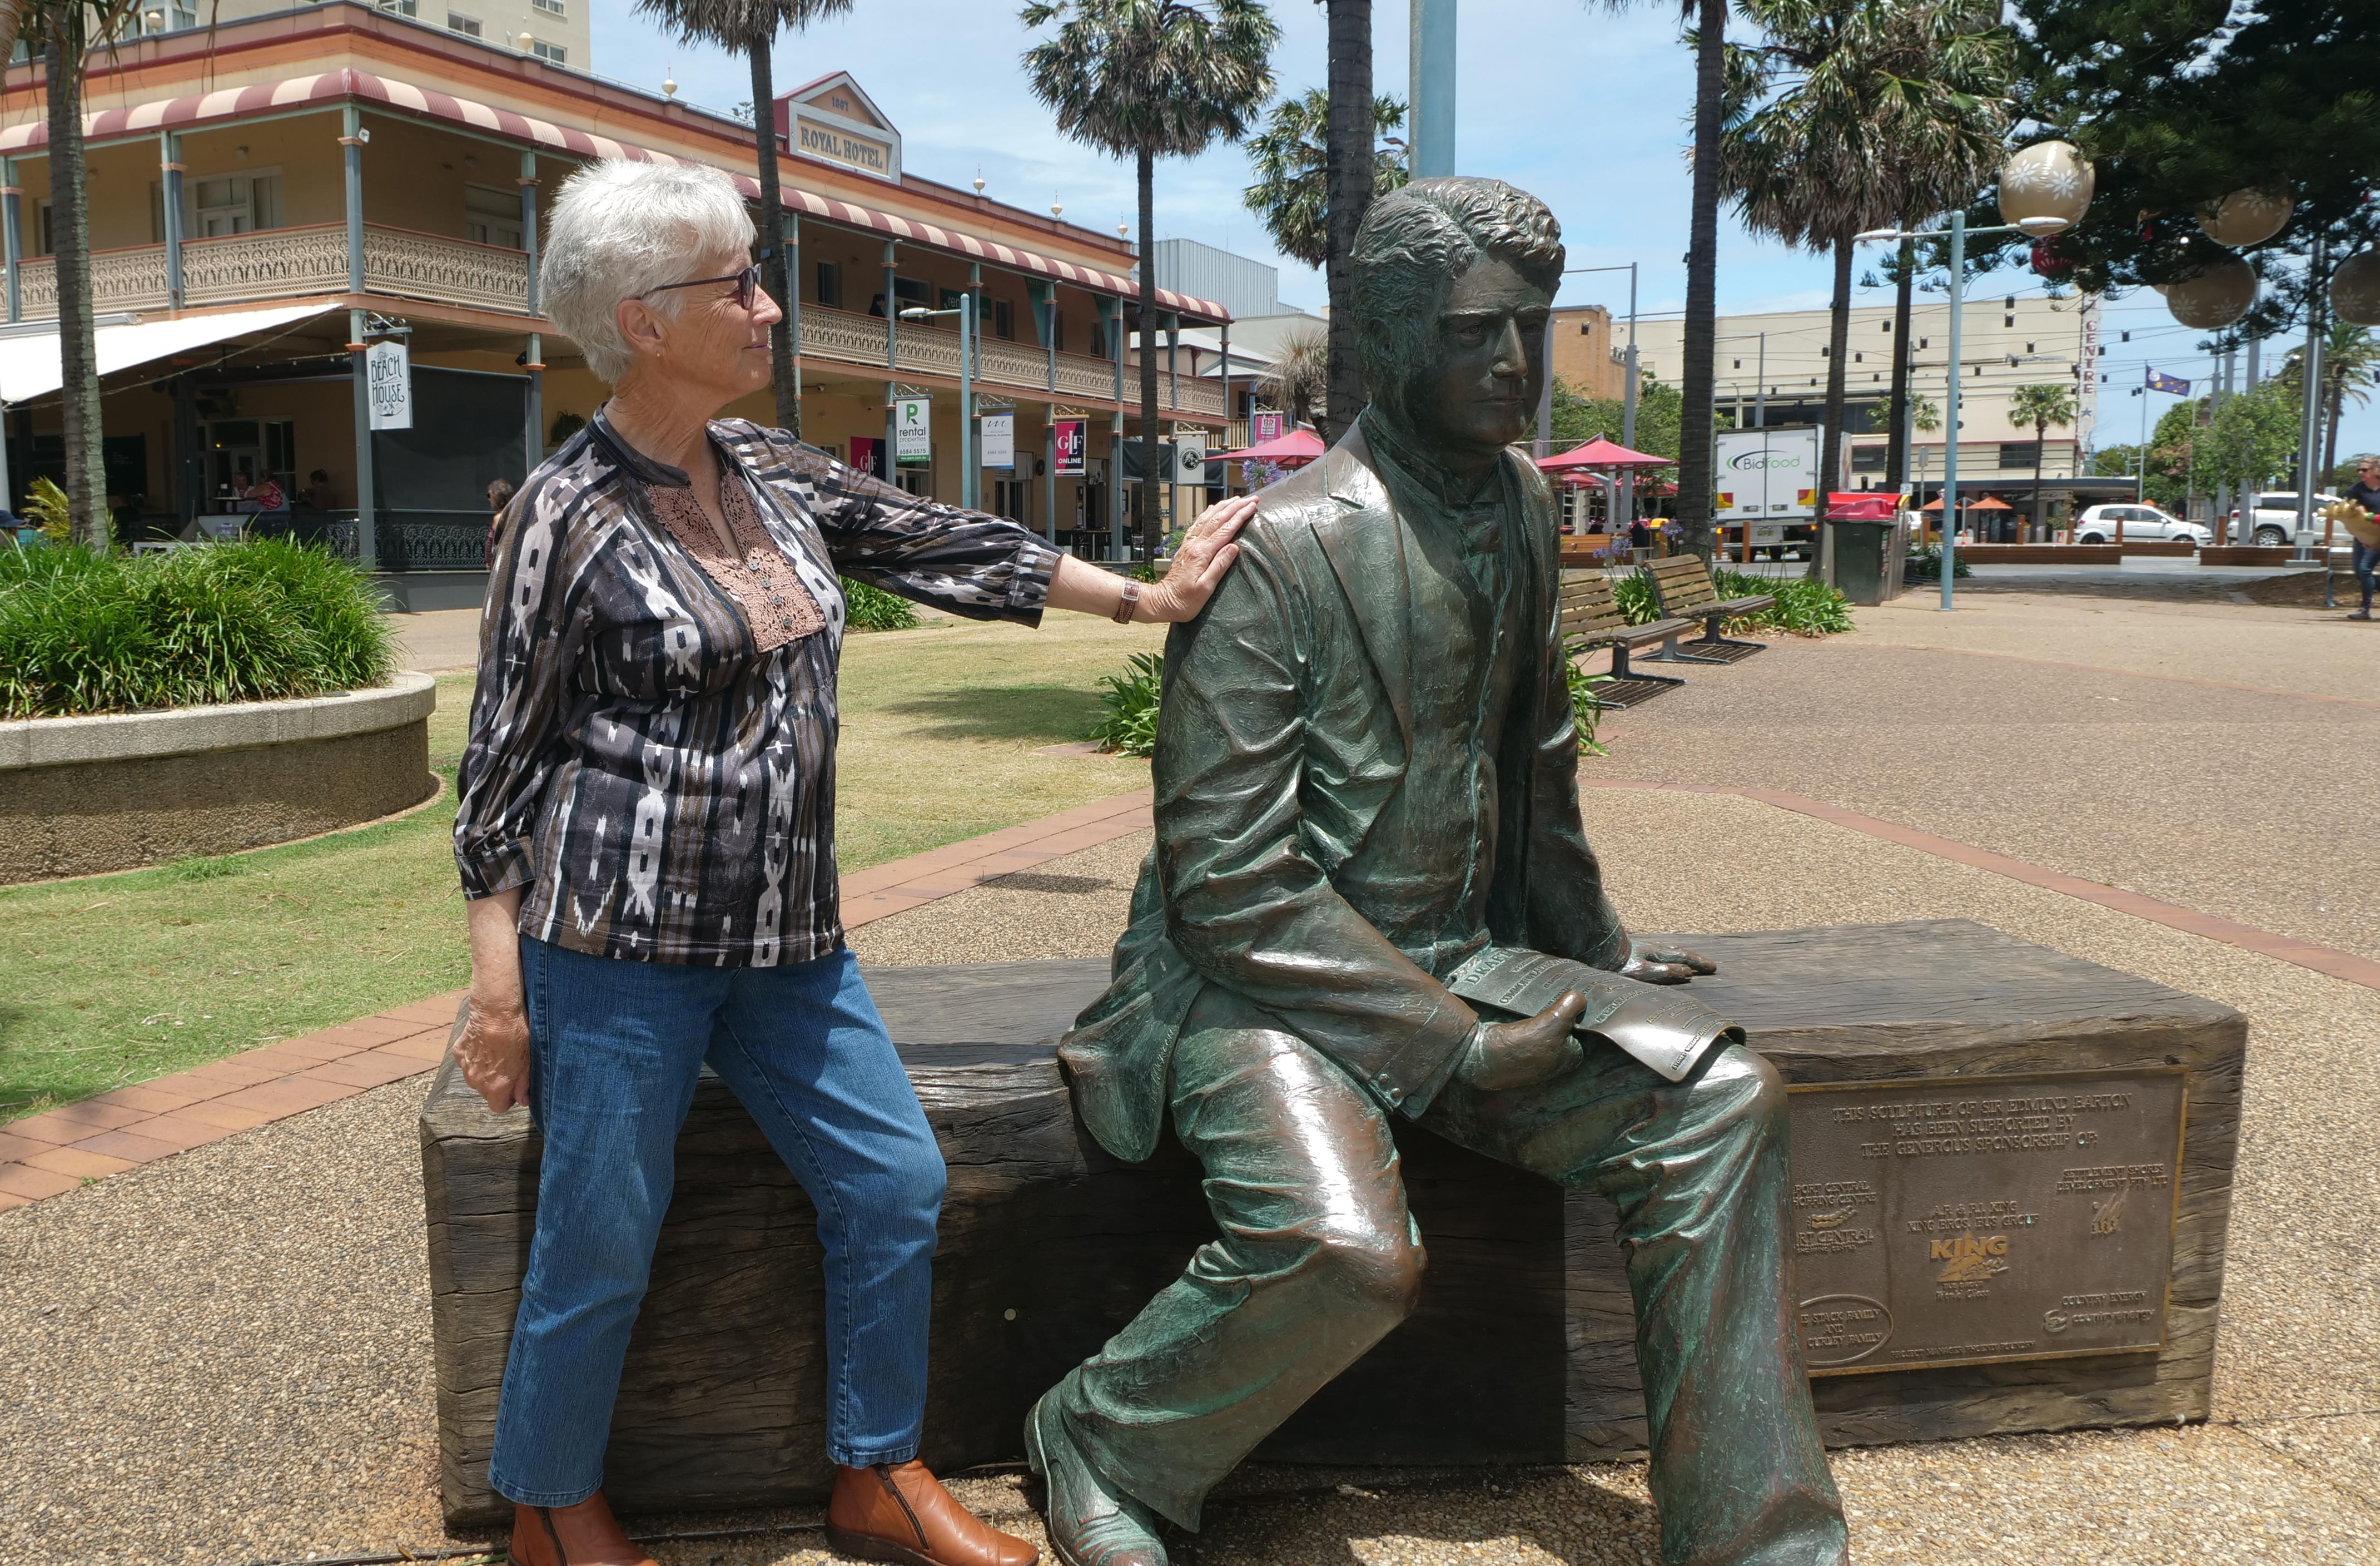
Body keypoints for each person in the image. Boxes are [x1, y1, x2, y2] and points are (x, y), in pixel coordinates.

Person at [1021, 177, 1849, 1566]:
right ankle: (1104, 1435)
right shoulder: (1276, 550)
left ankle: (1759, 1540)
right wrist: (1451, 1045)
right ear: (1394, 333)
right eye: (1478, 333)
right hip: (1260, 986)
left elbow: (1536, 767)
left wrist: (1595, 947)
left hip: (1463, 951)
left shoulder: (1526, 506)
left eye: (1529, 331)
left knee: (1724, 1101)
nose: (1515, 369)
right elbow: (1225, 881)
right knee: (1345, 1255)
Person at [450, 158, 1253, 1566]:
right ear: (644, 320)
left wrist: (1151, 597)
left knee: (893, 1183)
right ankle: (551, 1507)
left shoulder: (772, 469)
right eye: (739, 284)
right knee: (598, 1243)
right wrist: (499, 990)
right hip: (615, 957)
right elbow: (501, 760)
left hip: (791, 945)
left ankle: (874, 1477)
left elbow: (947, 543)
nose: (768, 308)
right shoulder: (562, 514)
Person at [2344, 455, 2379, 621]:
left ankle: (2365, 609)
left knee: (2365, 569)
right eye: (2359, 470)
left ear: (2375, 470)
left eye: (2364, 470)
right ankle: (2366, 607)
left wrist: (2374, 518)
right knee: (2360, 572)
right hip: (2364, 535)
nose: (2361, 473)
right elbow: (2351, 507)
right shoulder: (2356, 489)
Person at [483, 476, 517, 552]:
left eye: (490, 496)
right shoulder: (515, 513)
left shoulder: (500, 518)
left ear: (496, 497)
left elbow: (495, 544)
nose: (489, 499)